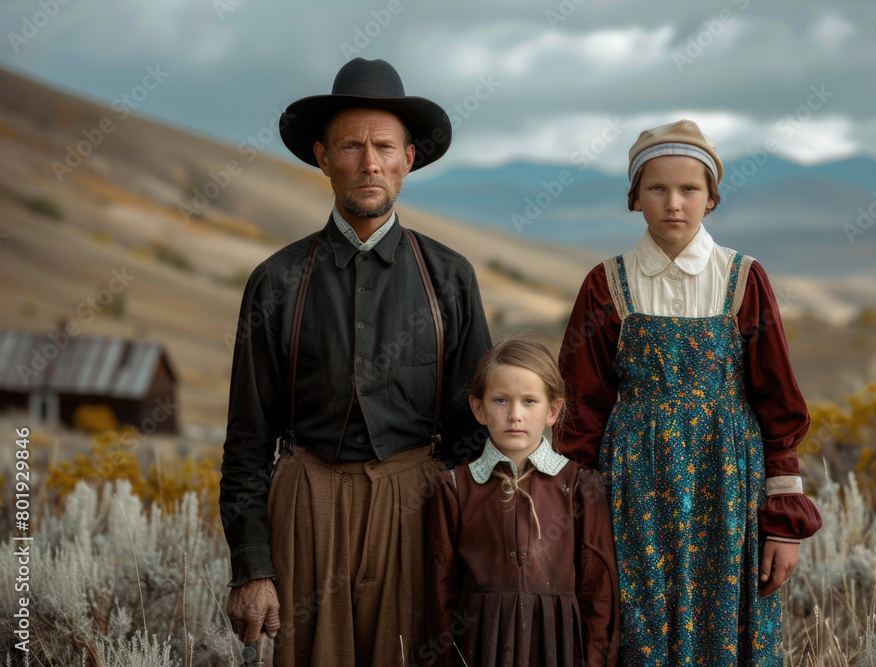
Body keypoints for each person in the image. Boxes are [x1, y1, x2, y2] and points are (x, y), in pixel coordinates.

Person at [220, 58, 492, 666]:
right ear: (322, 157)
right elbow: (247, 442)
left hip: (418, 520)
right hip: (306, 518)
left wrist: (447, 523)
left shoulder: (449, 279)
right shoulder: (277, 282)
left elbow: (476, 430)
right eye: (351, 146)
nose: (369, 163)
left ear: (408, 158)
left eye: (384, 147)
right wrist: (253, 568)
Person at [556, 120, 822, 665]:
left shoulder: (743, 278)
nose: (673, 203)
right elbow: (582, 408)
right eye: (656, 188)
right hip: (634, 490)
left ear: (712, 197)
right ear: (635, 197)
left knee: (726, 632)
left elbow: (778, 404)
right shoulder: (607, 282)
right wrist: (572, 512)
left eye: (689, 189)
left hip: (729, 489)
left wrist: (784, 525)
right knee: (638, 628)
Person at [425, 337, 620, 666]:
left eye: (530, 401)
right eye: (501, 400)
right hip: (478, 647)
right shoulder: (455, 488)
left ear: (553, 410)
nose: (515, 414)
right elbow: (440, 596)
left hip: (559, 647)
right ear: (479, 408)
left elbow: (598, 593)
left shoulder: (581, 486)